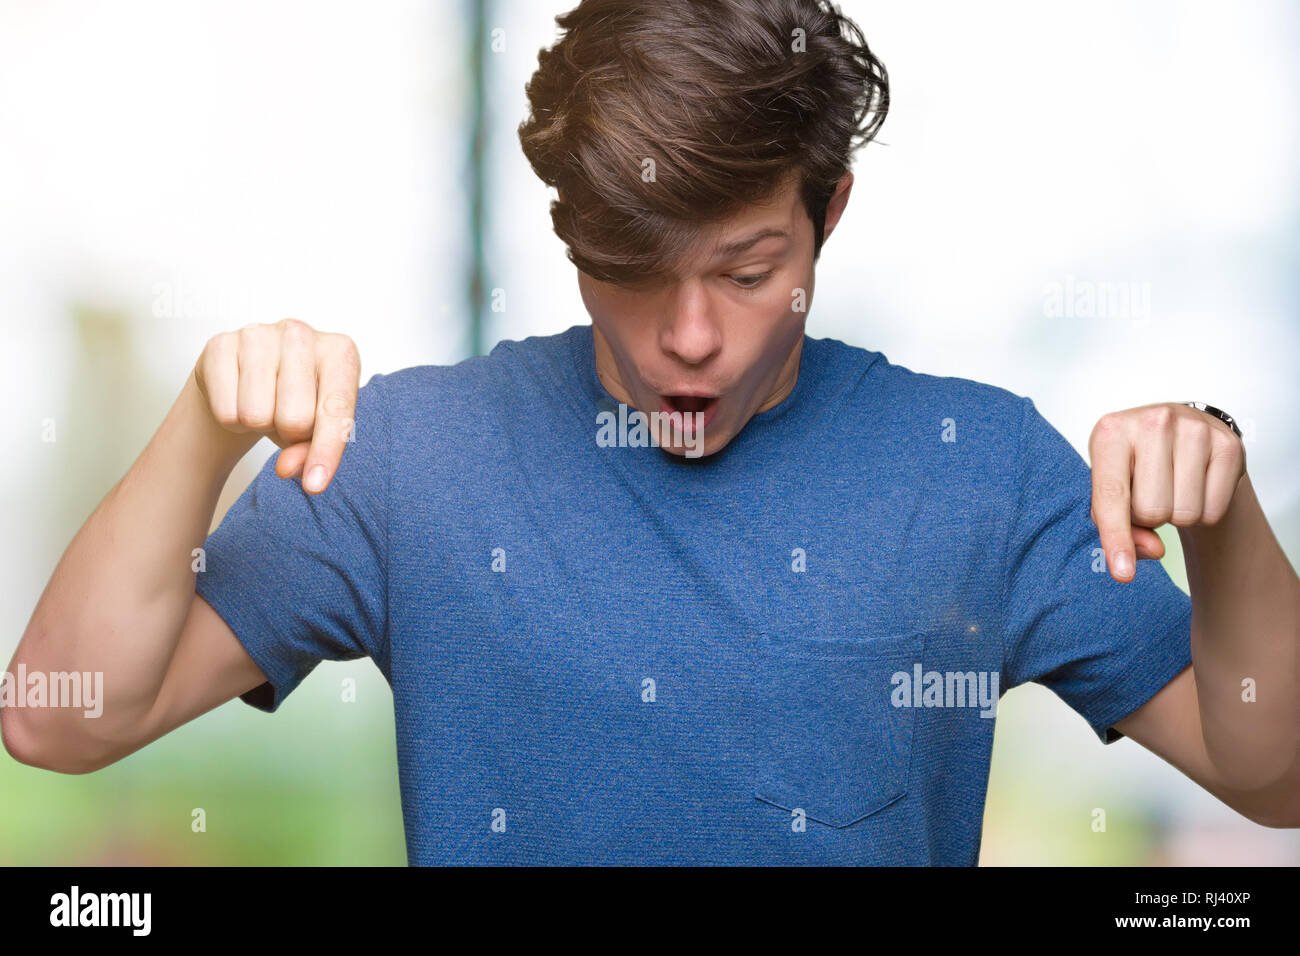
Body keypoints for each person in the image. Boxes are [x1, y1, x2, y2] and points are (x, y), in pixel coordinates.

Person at [4, 0, 1297, 865]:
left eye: (745, 270)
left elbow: (1276, 777)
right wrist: (203, 426)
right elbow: (62, 722)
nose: (689, 335)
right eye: (634, 264)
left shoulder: (980, 465)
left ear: (830, 212)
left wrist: (1226, 516)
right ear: (568, 233)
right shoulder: (410, 456)